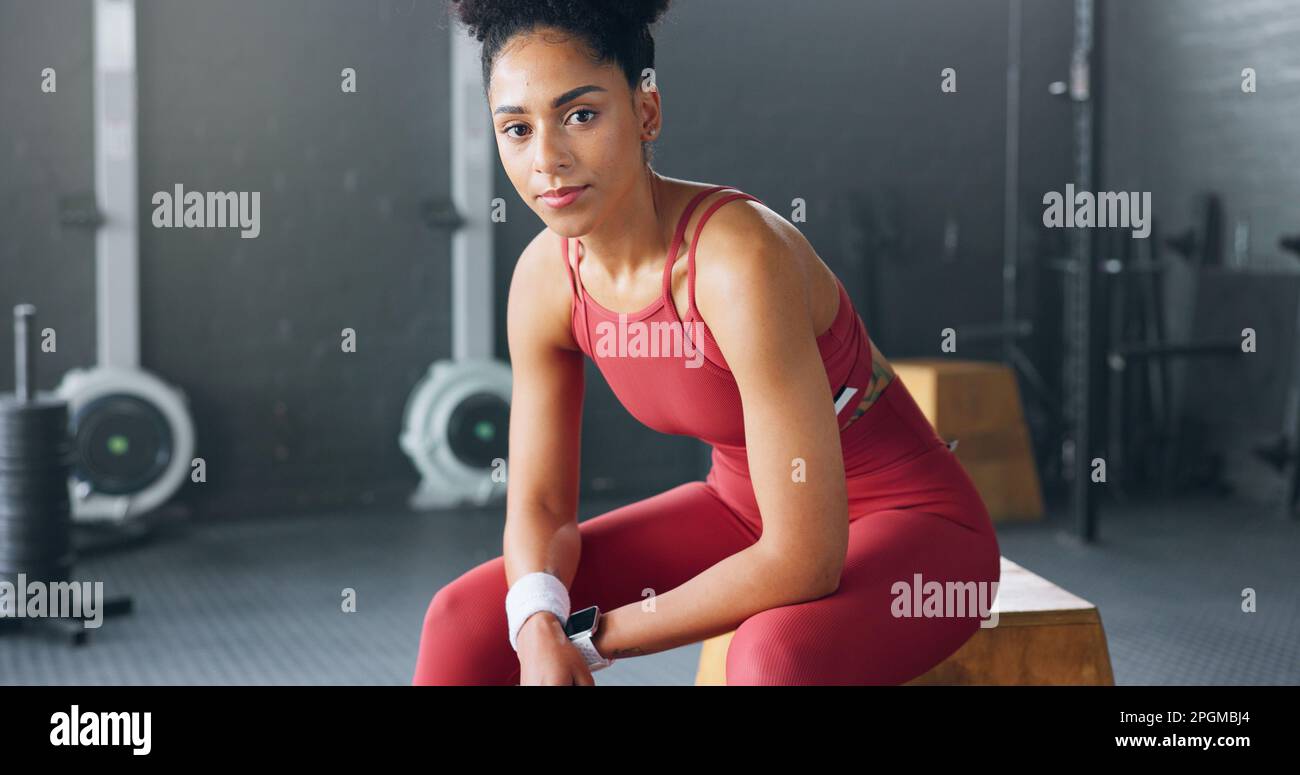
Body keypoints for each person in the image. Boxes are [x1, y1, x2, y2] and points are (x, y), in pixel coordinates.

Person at [413, 0, 1001, 686]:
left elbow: (803, 556)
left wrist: (588, 640)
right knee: (465, 619)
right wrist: (538, 622)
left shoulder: (736, 257)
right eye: (516, 128)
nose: (547, 159)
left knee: (773, 659)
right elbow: (541, 506)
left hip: (912, 523)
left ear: (646, 112)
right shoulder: (546, 279)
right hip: (739, 508)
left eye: (580, 114)